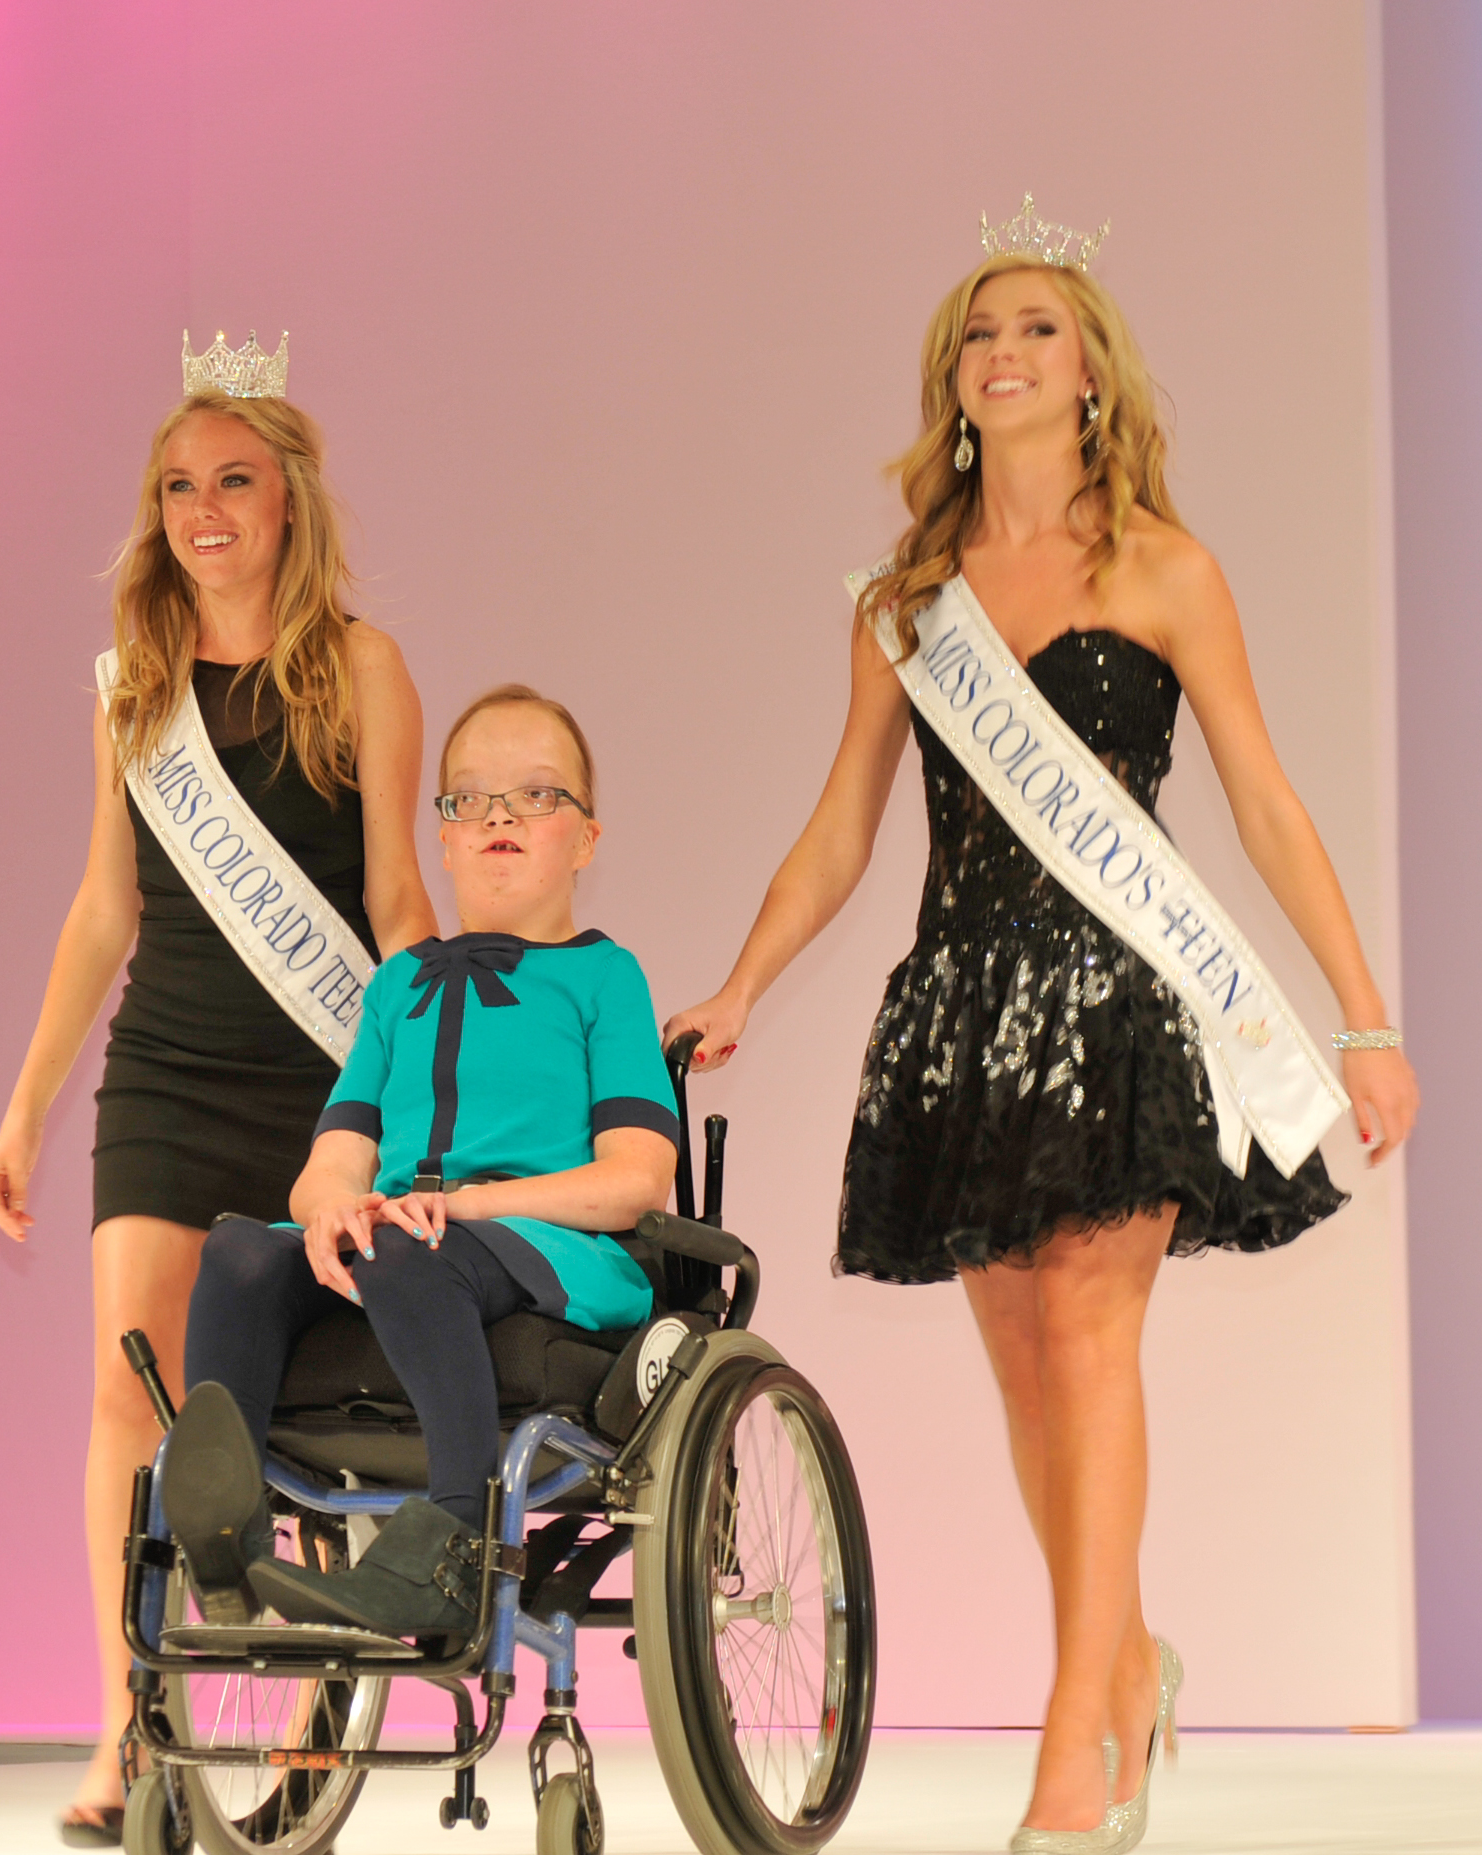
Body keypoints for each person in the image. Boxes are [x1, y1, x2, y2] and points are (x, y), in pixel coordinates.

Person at [665, 212, 1419, 1853]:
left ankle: (1070, 1756)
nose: (1002, 352)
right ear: (955, 383)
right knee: (1028, 1384)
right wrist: (741, 982)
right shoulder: (907, 599)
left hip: (1117, 1008)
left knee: (1093, 1347)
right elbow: (841, 832)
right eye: (978, 333)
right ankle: (1132, 1660)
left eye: (1037, 330)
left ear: (1092, 377)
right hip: (962, 1009)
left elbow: (1267, 806)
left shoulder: (1162, 567)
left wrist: (1362, 1014)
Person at [0, 338, 436, 1846]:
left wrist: (436, 1073)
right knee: (128, 1387)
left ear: (289, 500)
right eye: (179, 485)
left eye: (233, 479)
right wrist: (26, 1106)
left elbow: (389, 902)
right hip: (165, 1072)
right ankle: (132, 1721)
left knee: (288, 1402)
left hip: (318, 1081)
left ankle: (310, 1698)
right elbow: (103, 910)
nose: (203, 509)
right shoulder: (133, 688)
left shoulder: (361, 666)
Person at [158, 684, 678, 1637]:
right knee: (237, 1251)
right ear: (441, 835)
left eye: (535, 796)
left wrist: (473, 1207)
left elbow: (640, 1179)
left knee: (410, 1250)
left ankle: (454, 1541)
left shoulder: (605, 976)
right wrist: (331, 1211)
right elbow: (331, 1160)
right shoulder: (399, 987)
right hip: (402, 1239)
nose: (498, 818)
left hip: (545, 1247)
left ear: (586, 840)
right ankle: (226, 1540)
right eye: (470, 799)